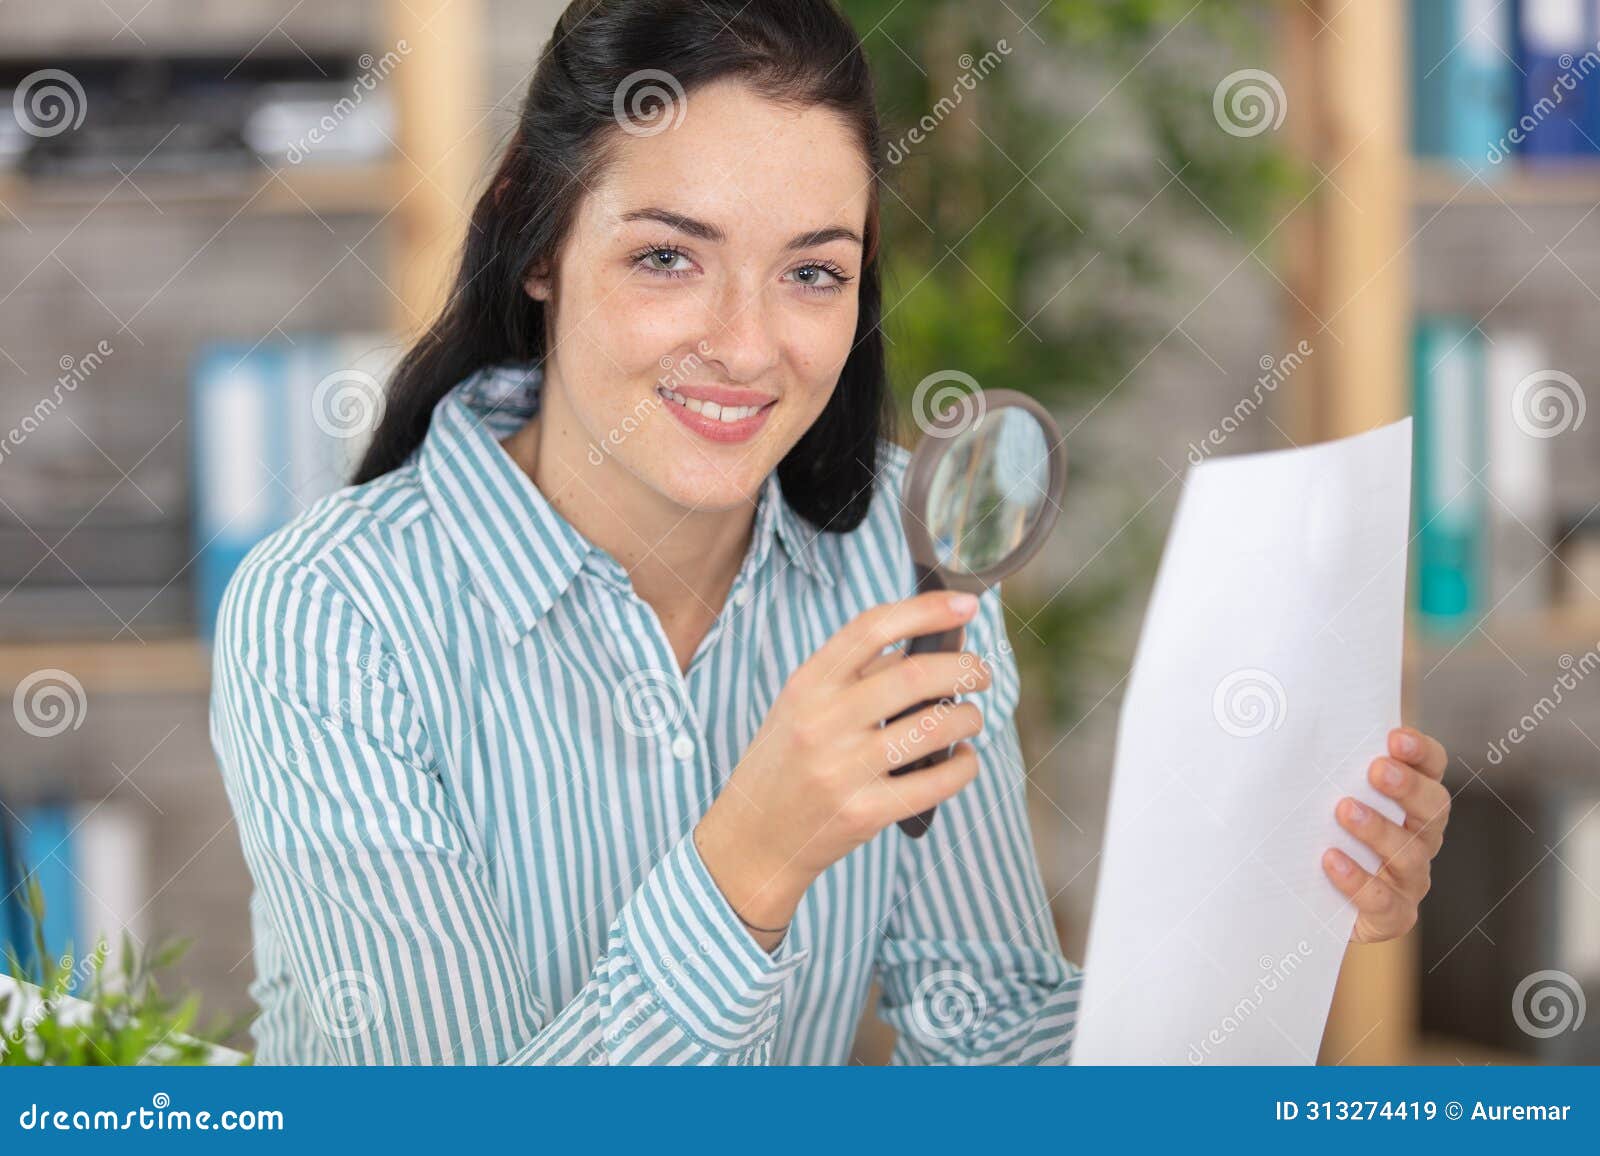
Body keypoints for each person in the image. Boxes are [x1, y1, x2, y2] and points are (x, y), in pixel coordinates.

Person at [210, 0, 1453, 1065]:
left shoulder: (898, 559)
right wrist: (747, 863)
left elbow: (984, 1033)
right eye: (667, 257)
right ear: (538, 240)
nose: (748, 347)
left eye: (812, 272)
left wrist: (1271, 913)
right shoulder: (330, 614)